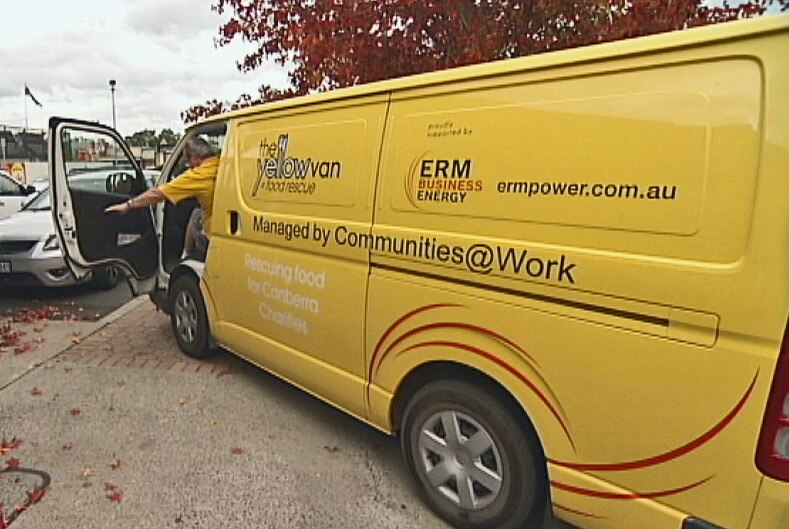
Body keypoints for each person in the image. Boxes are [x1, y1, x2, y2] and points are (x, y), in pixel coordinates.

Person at [105, 137, 219, 257]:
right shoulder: (223, 164)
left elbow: (157, 194)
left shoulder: (198, 176)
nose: (189, 166)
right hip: (229, 229)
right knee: (197, 212)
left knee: (195, 216)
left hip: (212, 239)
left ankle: (187, 255)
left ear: (195, 158)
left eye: (189, 161)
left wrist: (128, 205)